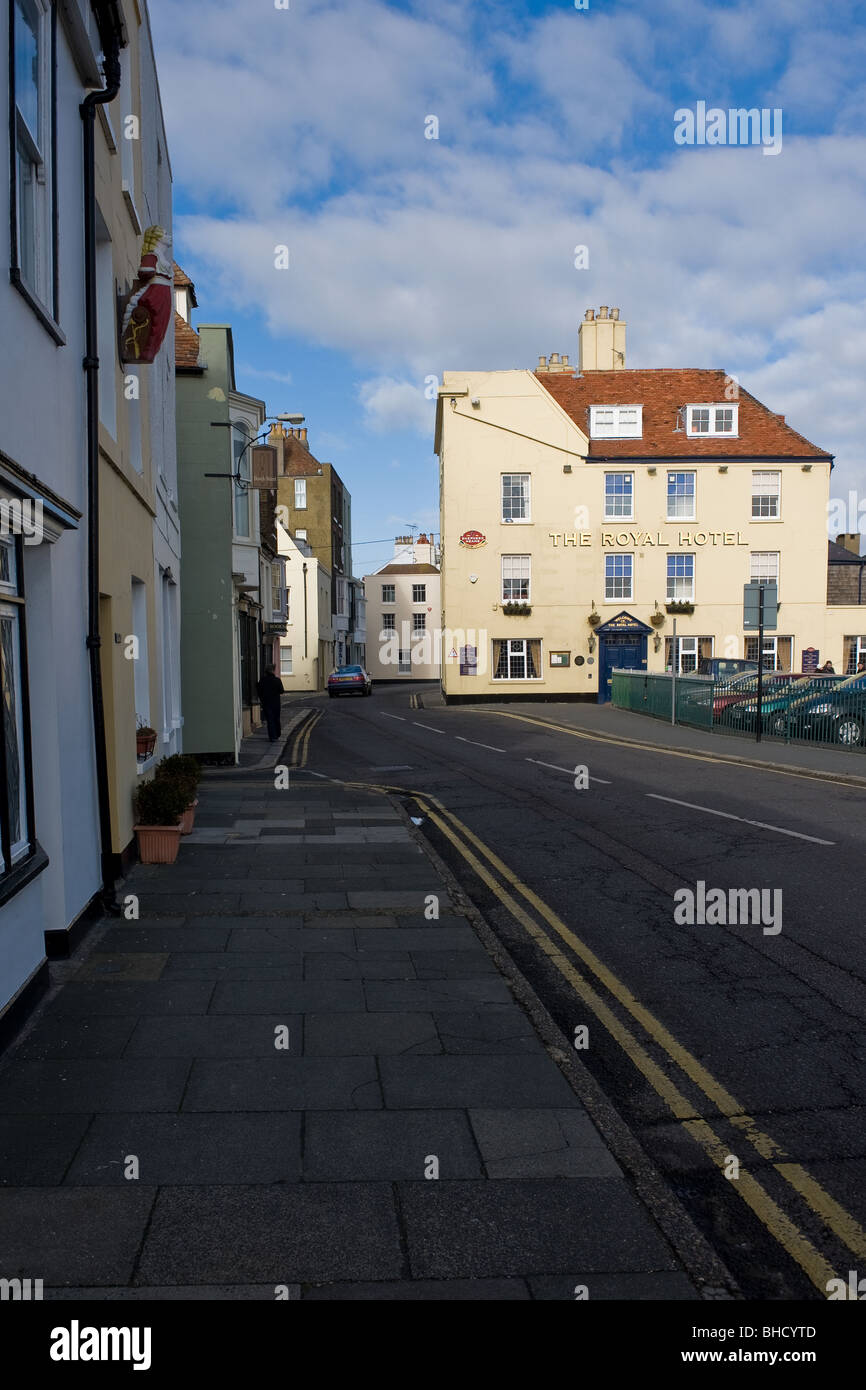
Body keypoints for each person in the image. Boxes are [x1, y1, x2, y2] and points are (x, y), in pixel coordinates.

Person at [256, 663, 284, 741]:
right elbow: (282, 691)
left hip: (266, 703)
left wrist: (262, 699)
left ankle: (272, 736)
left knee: (270, 720)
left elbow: (259, 691)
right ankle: (277, 734)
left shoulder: (262, 680)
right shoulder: (277, 680)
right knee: (276, 719)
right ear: (273, 671)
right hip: (276, 703)